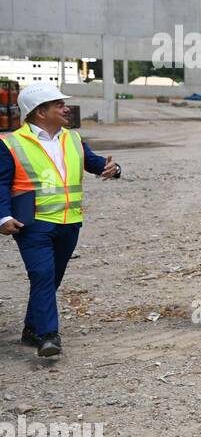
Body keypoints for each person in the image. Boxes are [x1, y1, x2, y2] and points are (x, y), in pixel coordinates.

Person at [1, 84, 122, 357]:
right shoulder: (11, 144)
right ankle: (48, 336)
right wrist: (3, 217)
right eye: (58, 104)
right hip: (33, 225)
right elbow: (1, 184)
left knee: (51, 278)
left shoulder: (73, 139)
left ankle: (32, 329)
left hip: (69, 222)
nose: (66, 108)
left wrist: (112, 168)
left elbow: (93, 163)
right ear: (40, 111)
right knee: (42, 275)